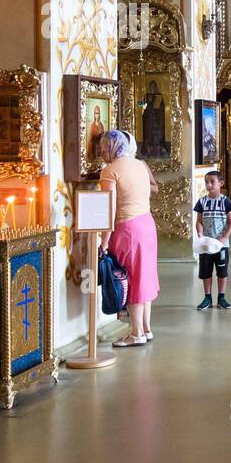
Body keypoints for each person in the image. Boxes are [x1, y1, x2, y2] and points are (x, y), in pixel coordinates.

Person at [99, 129, 159, 348]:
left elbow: (109, 209)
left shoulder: (110, 171)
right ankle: (145, 328)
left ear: (111, 146)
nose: (101, 152)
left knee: (131, 279)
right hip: (147, 224)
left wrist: (104, 242)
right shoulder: (140, 165)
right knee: (145, 276)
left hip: (127, 228)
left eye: (103, 148)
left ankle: (135, 334)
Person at [193, 170, 231, 311]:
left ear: (220, 183)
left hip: (221, 245)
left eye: (212, 182)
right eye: (207, 182)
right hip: (206, 245)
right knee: (206, 271)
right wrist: (200, 233)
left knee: (222, 272)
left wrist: (224, 237)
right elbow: (199, 221)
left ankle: (221, 297)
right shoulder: (202, 202)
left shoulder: (225, 201)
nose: (209, 185)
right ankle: (207, 297)